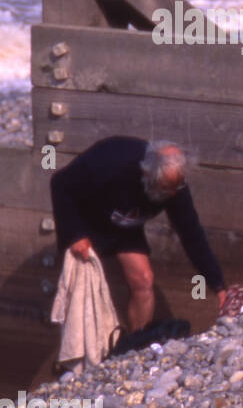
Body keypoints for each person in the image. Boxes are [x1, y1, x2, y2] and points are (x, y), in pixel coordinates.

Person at [49, 137, 227, 333]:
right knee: (81, 290)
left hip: (125, 224)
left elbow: (192, 234)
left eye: (176, 187)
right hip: (87, 219)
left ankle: (136, 347)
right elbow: (60, 183)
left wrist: (217, 285)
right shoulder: (111, 163)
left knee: (144, 280)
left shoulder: (175, 187)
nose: (173, 195)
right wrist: (74, 234)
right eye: (166, 187)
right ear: (147, 174)